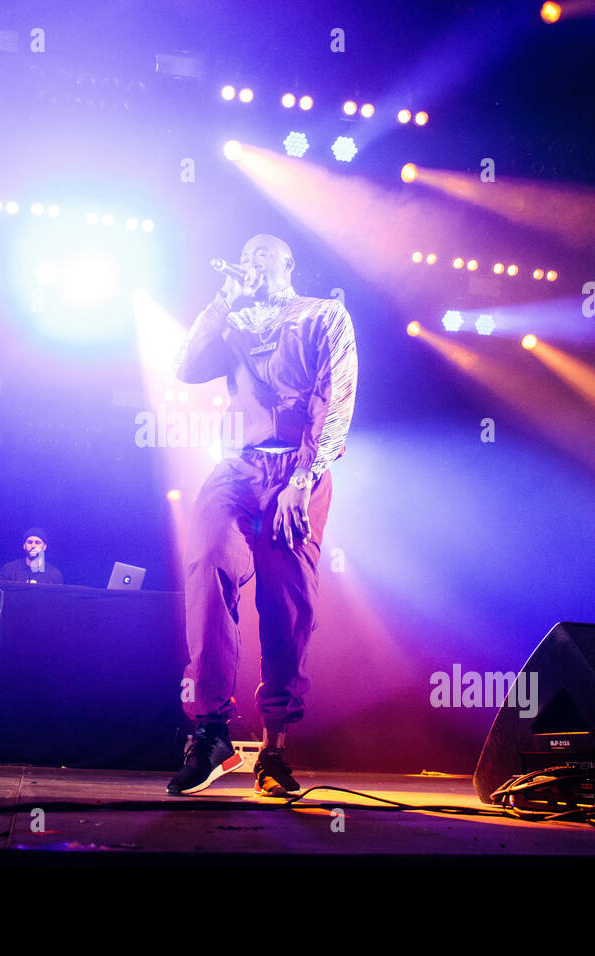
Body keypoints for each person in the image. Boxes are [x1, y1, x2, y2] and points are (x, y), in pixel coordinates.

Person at [167, 234, 357, 797]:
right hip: (238, 469)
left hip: (300, 472)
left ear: (289, 261)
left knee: (287, 605)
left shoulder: (326, 315)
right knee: (208, 565)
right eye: (244, 253)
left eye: (262, 252)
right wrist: (225, 297)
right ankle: (211, 730)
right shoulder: (234, 322)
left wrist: (304, 478)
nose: (250, 259)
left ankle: (274, 752)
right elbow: (184, 366)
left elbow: (336, 398)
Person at [0, 528, 64, 584]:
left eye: (37, 543)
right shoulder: (9, 570)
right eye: (29, 542)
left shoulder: (54, 575)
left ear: (44, 547)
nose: (33, 546)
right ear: (24, 545)